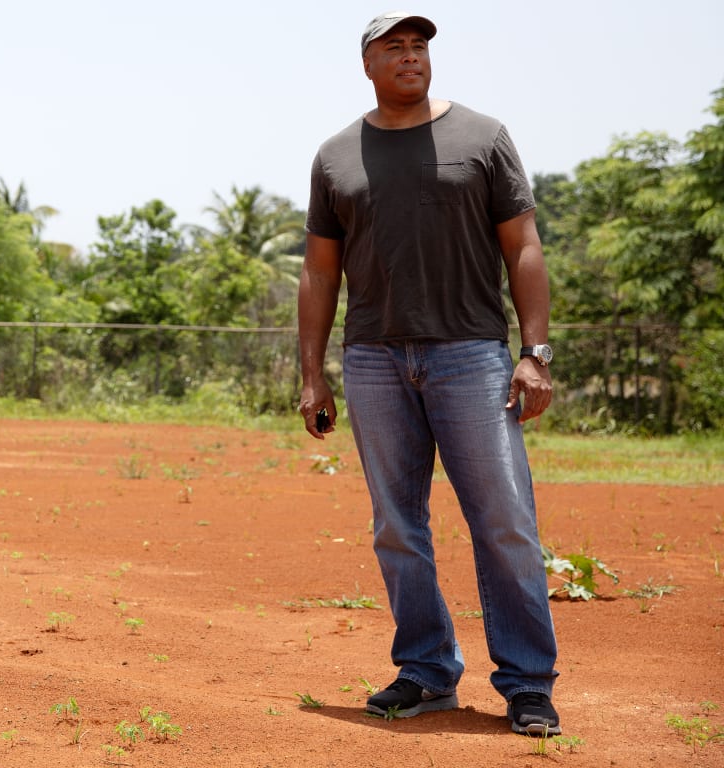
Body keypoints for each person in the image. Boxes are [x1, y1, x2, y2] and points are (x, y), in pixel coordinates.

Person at [297, 11, 561, 737]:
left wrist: (534, 353)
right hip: (374, 358)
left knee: (503, 519)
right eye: (394, 47)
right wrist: (312, 374)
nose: (410, 57)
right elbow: (320, 272)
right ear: (368, 64)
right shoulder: (335, 156)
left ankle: (528, 683)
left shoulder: (483, 136)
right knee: (396, 526)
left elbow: (524, 247)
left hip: (471, 354)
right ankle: (425, 670)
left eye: (419, 46)